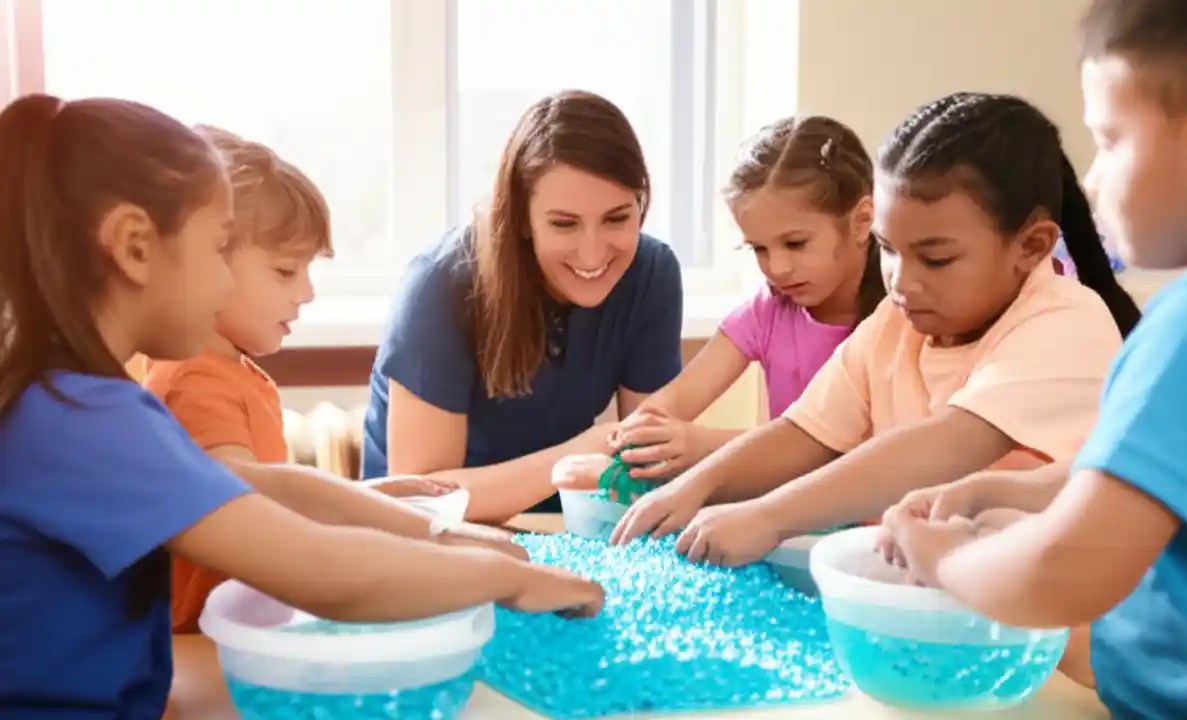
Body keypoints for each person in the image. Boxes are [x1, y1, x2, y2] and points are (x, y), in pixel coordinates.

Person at [0, 94, 603, 718]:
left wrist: (436, 531)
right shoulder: (84, 422)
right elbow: (327, 572)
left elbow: (261, 485)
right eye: (217, 248)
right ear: (134, 247)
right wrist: (509, 580)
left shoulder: (68, 405)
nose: (225, 279)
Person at [882, 1, 1187, 717]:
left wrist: (939, 559)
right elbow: (1148, 473)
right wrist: (996, 493)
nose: (1090, 184)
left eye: (1110, 140)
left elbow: (1066, 572)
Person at [612, 92, 1141, 570]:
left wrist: (769, 516)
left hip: (1048, 631)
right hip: (922, 599)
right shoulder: (895, 320)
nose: (902, 282)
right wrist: (696, 485)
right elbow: (806, 433)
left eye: (935, 259)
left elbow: (949, 444)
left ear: (1030, 246)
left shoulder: (1067, 322)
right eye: (889, 250)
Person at [145, 125, 523, 634]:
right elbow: (260, 491)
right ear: (205, 256)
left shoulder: (232, 373)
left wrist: (375, 496)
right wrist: (439, 533)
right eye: (284, 271)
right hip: (202, 645)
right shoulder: (194, 383)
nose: (306, 293)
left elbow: (271, 511)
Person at [361, 90, 684, 521]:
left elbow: (648, 458)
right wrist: (582, 452)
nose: (593, 254)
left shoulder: (652, 274)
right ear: (521, 218)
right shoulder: (440, 285)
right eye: (564, 224)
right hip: (425, 538)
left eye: (617, 218)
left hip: (556, 520)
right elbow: (423, 501)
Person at [552, 116, 884, 488]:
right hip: (788, 518)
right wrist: (633, 437)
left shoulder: (896, 322)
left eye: (795, 243)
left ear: (861, 220)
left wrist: (703, 446)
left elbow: (852, 454)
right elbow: (672, 402)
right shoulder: (767, 310)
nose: (777, 268)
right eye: (759, 248)